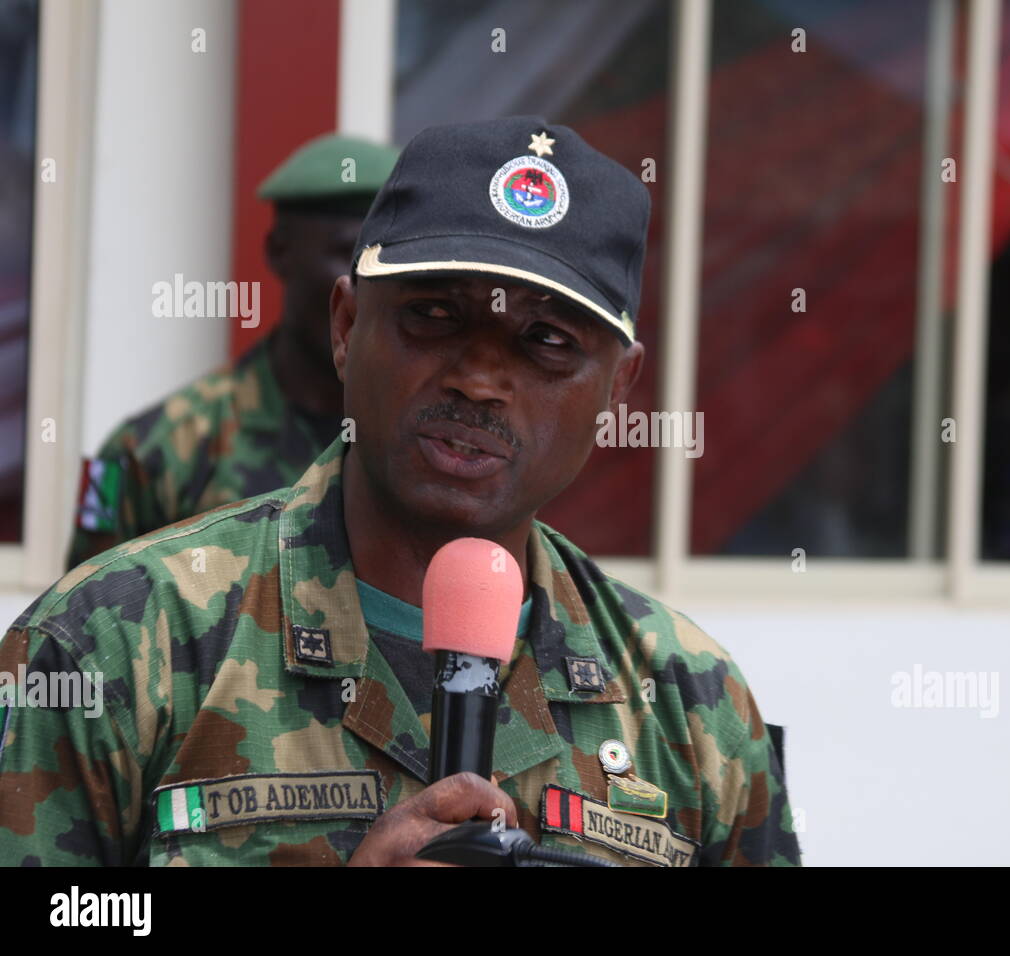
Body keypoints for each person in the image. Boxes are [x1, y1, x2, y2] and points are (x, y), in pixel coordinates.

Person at [0, 116, 801, 867]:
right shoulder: (112, 645)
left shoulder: (690, 704)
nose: (481, 379)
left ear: (619, 388)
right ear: (346, 325)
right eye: (433, 315)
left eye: (547, 342)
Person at [65, 133, 400, 569]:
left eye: (385, 261)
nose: (363, 286)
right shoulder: (151, 451)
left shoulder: (428, 441)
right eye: (345, 255)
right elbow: (83, 623)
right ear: (279, 253)